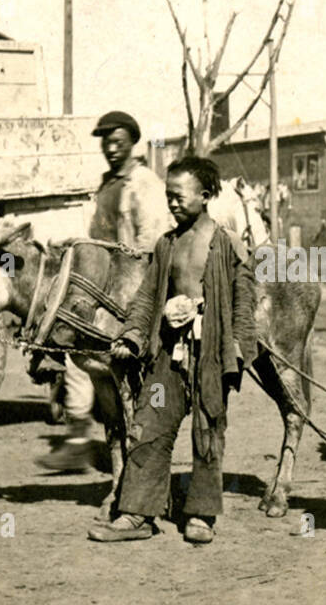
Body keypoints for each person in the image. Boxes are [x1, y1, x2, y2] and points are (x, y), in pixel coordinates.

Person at [89, 156, 257, 544]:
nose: (173, 203)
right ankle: (137, 513)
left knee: (208, 429)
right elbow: (148, 296)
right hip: (168, 353)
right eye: (169, 197)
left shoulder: (227, 244)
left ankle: (200, 515)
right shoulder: (165, 244)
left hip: (211, 356)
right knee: (149, 423)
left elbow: (244, 302)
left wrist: (237, 351)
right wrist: (132, 335)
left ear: (206, 195)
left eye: (180, 196)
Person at [36, 110, 173, 470]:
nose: (112, 149)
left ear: (131, 143)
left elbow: (152, 244)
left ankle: (136, 445)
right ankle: (81, 439)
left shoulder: (144, 183)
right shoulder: (106, 185)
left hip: (130, 288)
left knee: (123, 366)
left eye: (118, 143)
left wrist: (134, 289)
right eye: (106, 143)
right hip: (101, 288)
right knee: (75, 353)